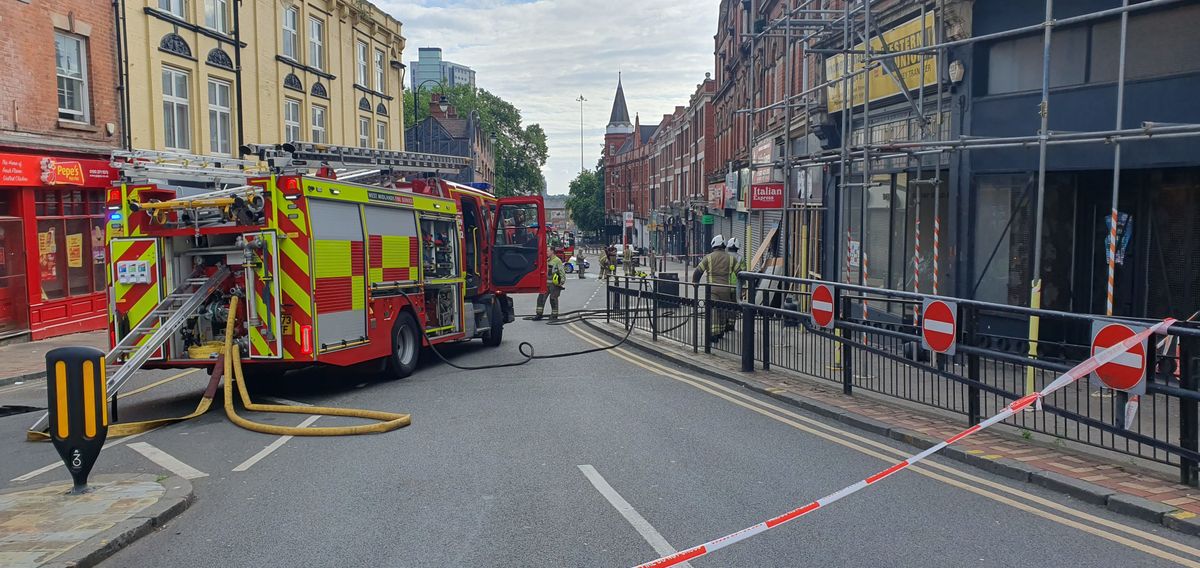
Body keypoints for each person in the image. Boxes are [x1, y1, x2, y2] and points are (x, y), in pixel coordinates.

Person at [693, 235, 733, 343]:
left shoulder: (709, 257)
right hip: (726, 289)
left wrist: (695, 283)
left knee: (713, 311)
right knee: (723, 310)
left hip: (712, 290)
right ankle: (721, 331)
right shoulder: (730, 258)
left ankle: (713, 335)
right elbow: (740, 273)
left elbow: (698, 271)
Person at [534, 247, 566, 321]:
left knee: (553, 299)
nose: (546, 252)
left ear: (552, 251)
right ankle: (539, 314)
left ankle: (554, 315)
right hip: (545, 284)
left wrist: (561, 282)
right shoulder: (547, 260)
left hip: (554, 285)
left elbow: (562, 272)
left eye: (547, 251)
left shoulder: (557, 261)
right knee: (541, 299)